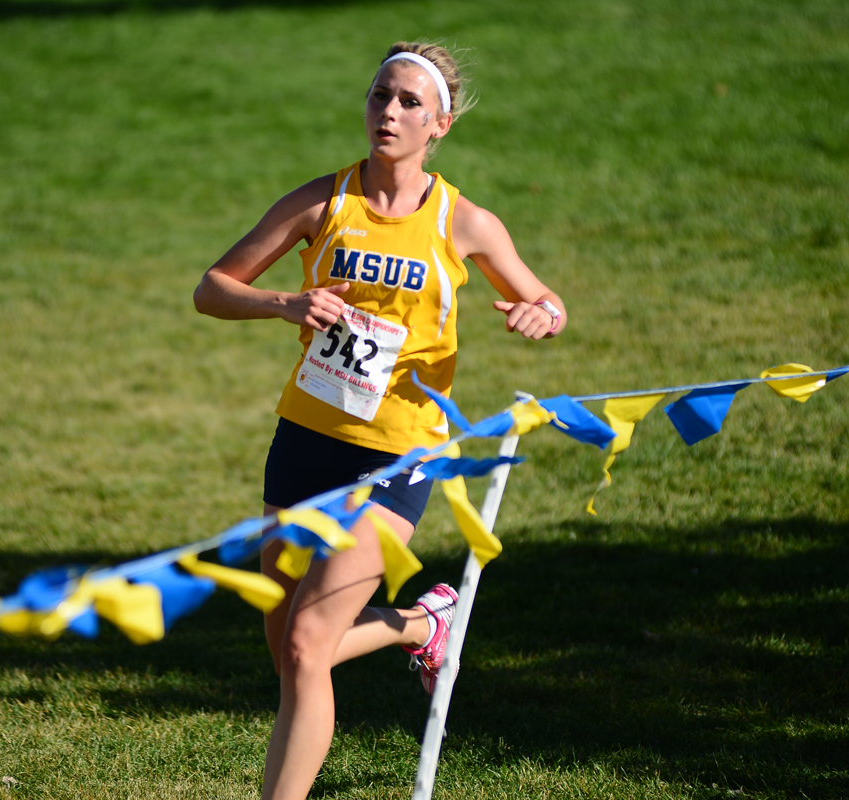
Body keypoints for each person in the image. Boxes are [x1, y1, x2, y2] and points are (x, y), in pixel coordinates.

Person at [192, 41, 568, 800]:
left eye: (407, 103)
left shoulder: (463, 222)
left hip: (398, 456)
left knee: (306, 645)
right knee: (291, 654)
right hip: (303, 444)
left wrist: (539, 314)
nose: (387, 113)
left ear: (441, 124)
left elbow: (550, 302)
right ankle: (421, 626)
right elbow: (212, 287)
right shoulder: (322, 202)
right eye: (378, 97)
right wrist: (285, 303)